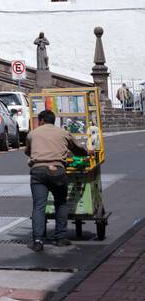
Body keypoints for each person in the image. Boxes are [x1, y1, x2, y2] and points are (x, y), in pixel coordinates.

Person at [25, 108, 90, 252]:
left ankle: (37, 241)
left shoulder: (32, 134)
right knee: (60, 203)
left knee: (39, 206)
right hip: (57, 171)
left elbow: (28, 151)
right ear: (53, 121)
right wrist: (86, 153)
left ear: (41, 121)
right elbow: (78, 149)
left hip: (38, 172)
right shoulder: (63, 133)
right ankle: (60, 238)